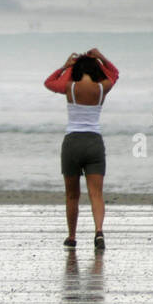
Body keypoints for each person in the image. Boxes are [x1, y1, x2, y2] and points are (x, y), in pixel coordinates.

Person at [44, 48, 119, 250]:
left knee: (72, 195)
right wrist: (102, 57)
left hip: (73, 142)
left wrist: (66, 66)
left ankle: (71, 236)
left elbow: (49, 83)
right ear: (96, 69)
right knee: (96, 193)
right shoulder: (103, 87)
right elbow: (115, 73)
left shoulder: (70, 87)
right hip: (94, 142)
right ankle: (99, 231)